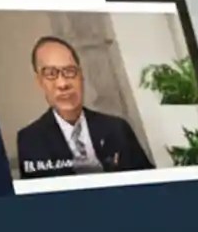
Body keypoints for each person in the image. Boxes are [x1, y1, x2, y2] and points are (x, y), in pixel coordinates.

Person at [16, 36, 154, 179]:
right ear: (39, 81)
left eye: (69, 71)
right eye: (51, 74)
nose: (63, 84)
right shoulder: (30, 140)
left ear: (81, 75)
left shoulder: (117, 128)